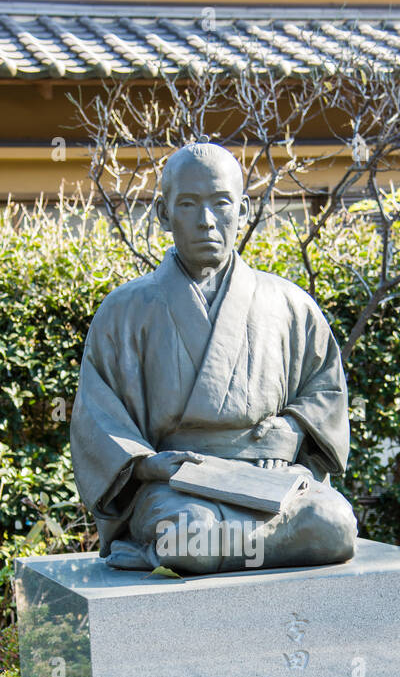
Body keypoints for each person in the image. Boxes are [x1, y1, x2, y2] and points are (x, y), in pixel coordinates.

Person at [70, 142, 358, 573]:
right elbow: (99, 417)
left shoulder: (289, 304)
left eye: (220, 203)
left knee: (333, 524)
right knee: (191, 534)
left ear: (242, 210)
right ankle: (193, 548)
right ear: (164, 214)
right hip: (179, 485)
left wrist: (295, 430)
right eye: (188, 204)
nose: (206, 221)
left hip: (270, 477)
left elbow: (326, 387)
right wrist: (148, 465)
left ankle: (194, 554)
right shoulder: (126, 310)